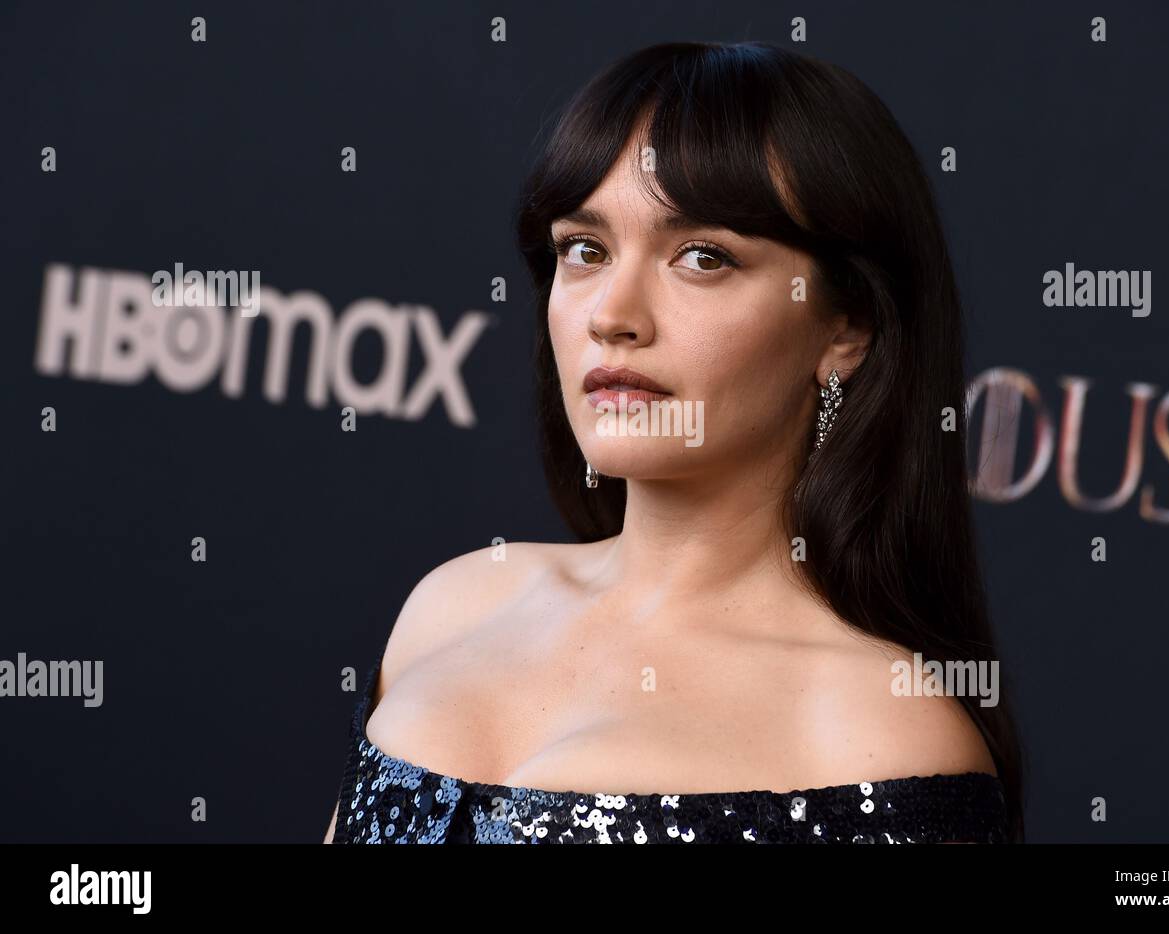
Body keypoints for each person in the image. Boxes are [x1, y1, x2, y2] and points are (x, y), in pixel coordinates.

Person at [326, 40, 1024, 844]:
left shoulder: (880, 734)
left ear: (847, 326)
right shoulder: (451, 605)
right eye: (583, 250)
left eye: (702, 258)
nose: (612, 314)